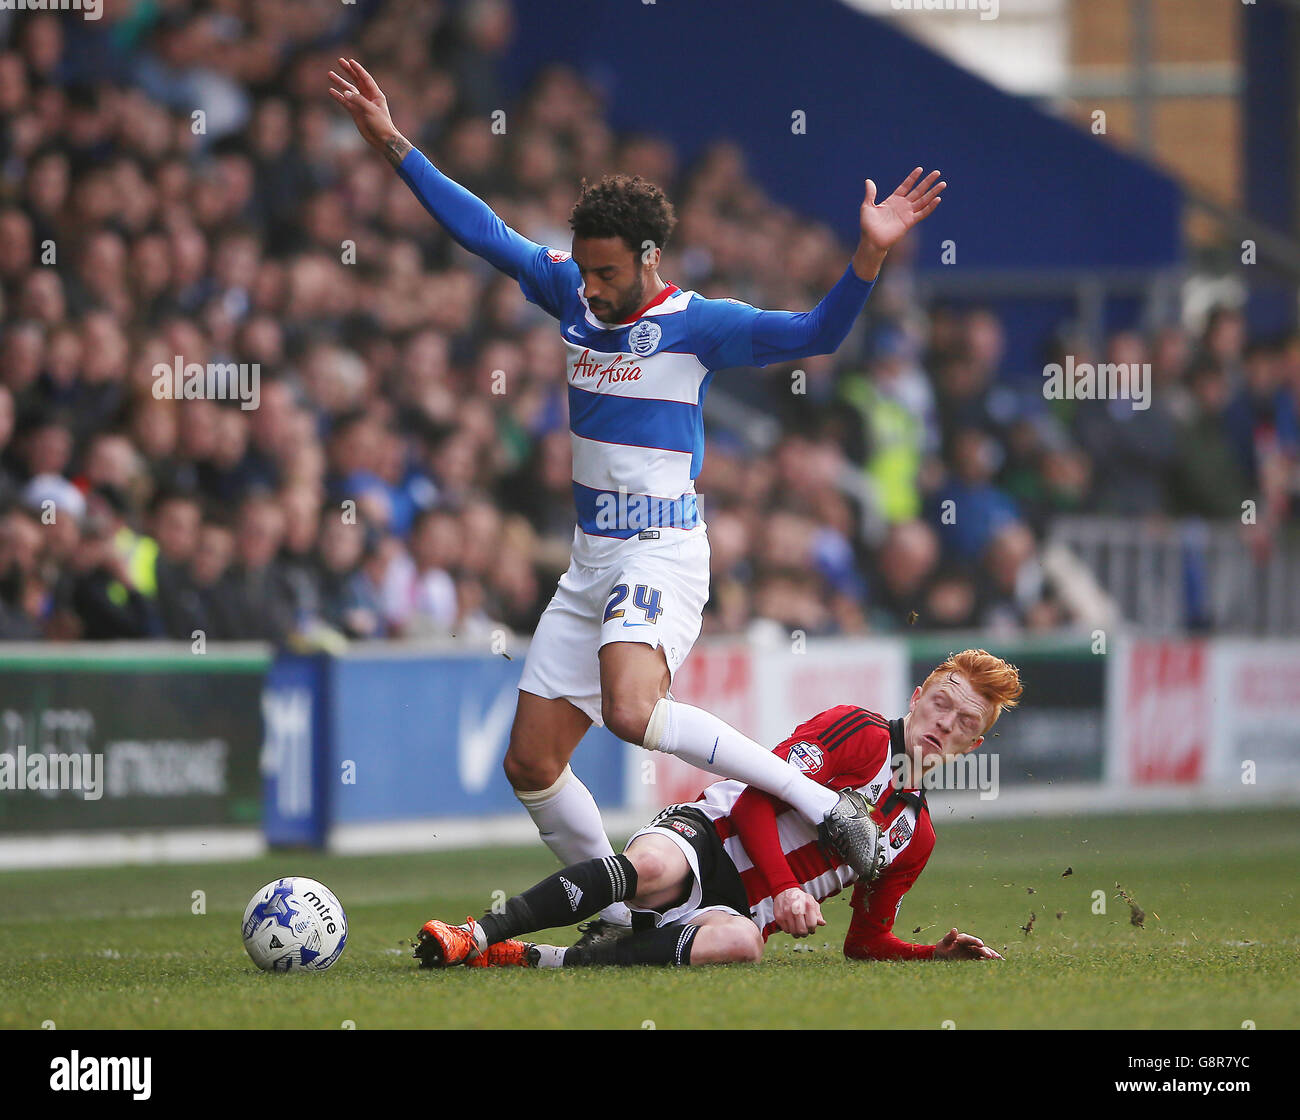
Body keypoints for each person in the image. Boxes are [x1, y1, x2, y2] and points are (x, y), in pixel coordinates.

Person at [330, 58, 947, 944]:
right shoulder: (571, 300)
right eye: (582, 269)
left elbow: (818, 333)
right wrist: (394, 144)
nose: (589, 286)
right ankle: (621, 922)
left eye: (607, 272)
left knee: (628, 710)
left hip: (660, 550)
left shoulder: (699, 325)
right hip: (591, 562)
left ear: (648, 259)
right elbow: (485, 232)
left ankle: (822, 803)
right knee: (532, 763)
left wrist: (868, 255)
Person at [413, 649, 1020, 969]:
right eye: (942, 703)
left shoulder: (916, 838)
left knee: (743, 948)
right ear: (918, 698)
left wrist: (929, 955)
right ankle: (476, 932)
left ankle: (541, 959)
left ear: (975, 744)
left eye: (965, 723)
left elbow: (865, 941)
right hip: (708, 836)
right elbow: (757, 799)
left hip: (740, 911)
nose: (945, 723)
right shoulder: (855, 732)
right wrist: (786, 889)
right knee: (650, 870)